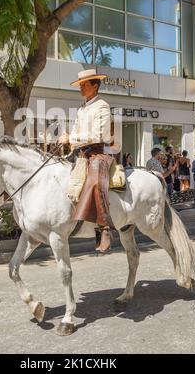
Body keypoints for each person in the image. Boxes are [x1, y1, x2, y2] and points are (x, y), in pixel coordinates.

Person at [59, 68, 113, 253]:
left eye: (84, 85)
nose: (81, 88)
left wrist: (71, 139)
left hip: (99, 153)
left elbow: (99, 134)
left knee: (95, 183)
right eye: (80, 85)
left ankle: (103, 227)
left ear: (95, 86)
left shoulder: (102, 106)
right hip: (82, 153)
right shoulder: (82, 108)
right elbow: (76, 132)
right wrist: (68, 136)